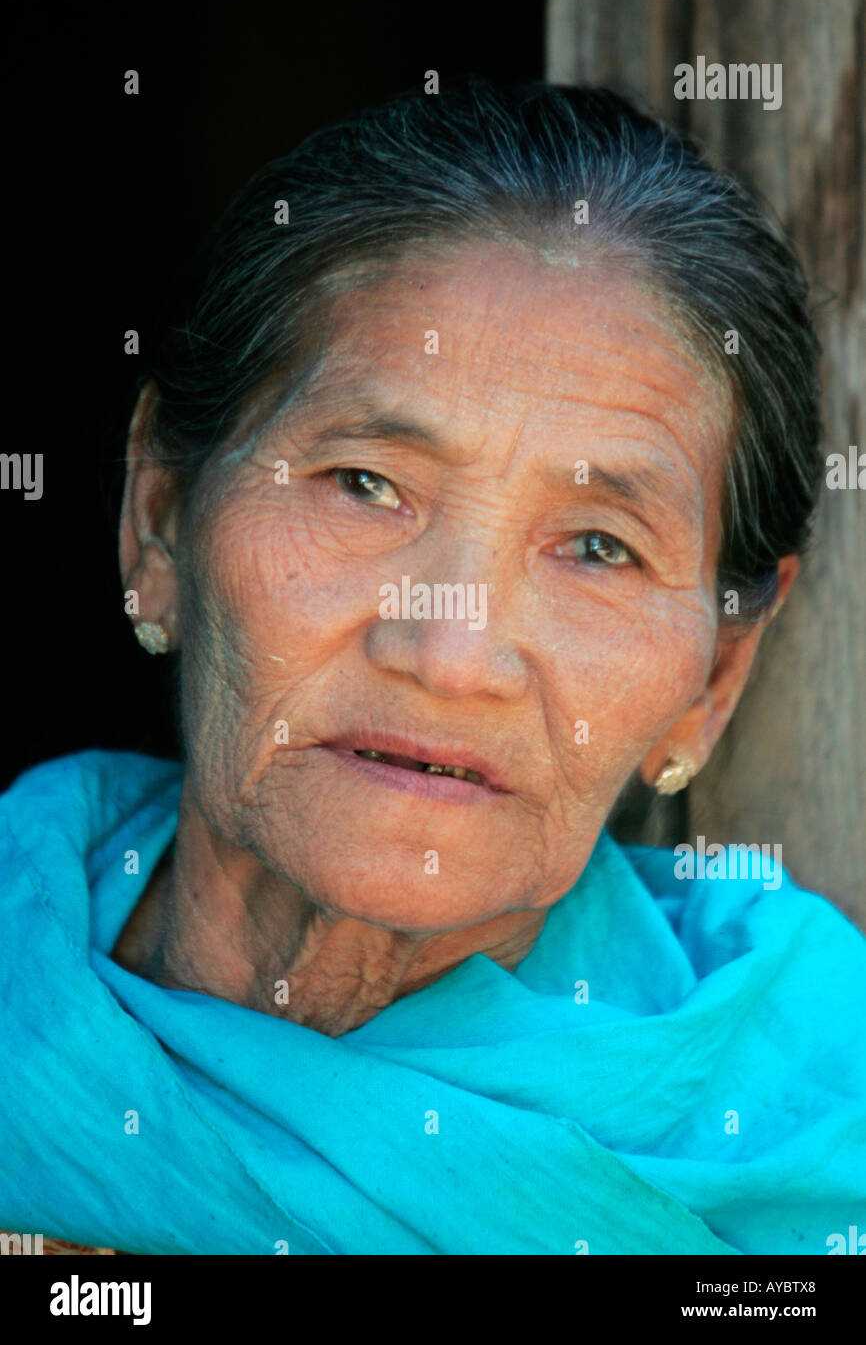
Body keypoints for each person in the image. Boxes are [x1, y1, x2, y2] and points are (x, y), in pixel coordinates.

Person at [1, 79, 864, 1256]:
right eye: (364, 483)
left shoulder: (814, 1137)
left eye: (598, 548)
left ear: (715, 674)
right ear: (160, 519)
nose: (451, 653)